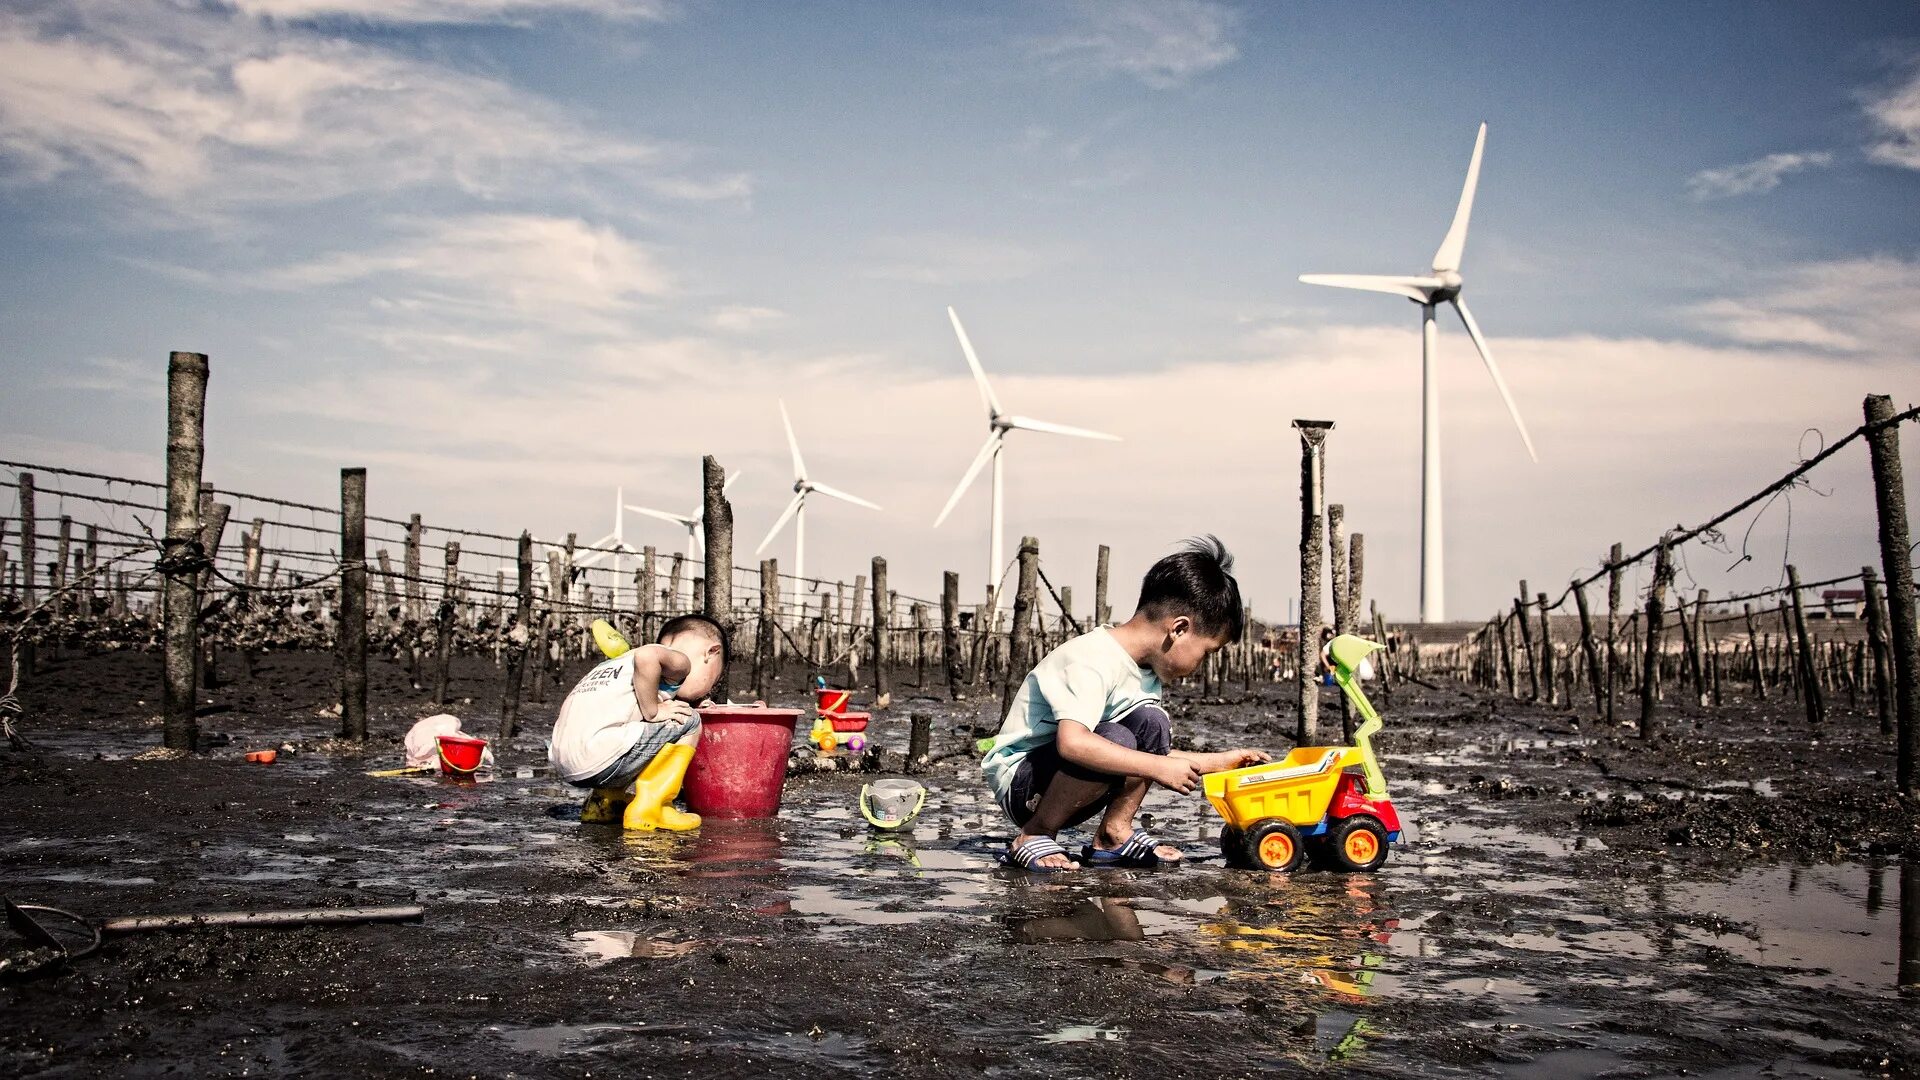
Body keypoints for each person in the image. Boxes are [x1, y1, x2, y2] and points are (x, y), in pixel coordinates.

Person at [983, 536, 1272, 871]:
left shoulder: (1144, 673)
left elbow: (1151, 754)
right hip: (1024, 785)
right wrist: (1159, 768)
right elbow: (1074, 744)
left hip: (1064, 780)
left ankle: (1113, 833)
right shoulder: (1091, 659)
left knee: (1152, 722)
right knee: (1116, 739)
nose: (1201, 665)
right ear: (1178, 629)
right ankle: (1034, 834)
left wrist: (1222, 762)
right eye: (1207, 652)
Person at [549, 614, 727, 831]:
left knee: (636, 728)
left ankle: (604, 803)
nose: (709, 688)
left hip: (566, 761)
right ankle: (653, 807)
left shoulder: (621, 664)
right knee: (688, 719)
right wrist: (653, 712)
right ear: (711, 653)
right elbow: (647, 655)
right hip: (600, 760)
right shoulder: (680, 662)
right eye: (714, 679)